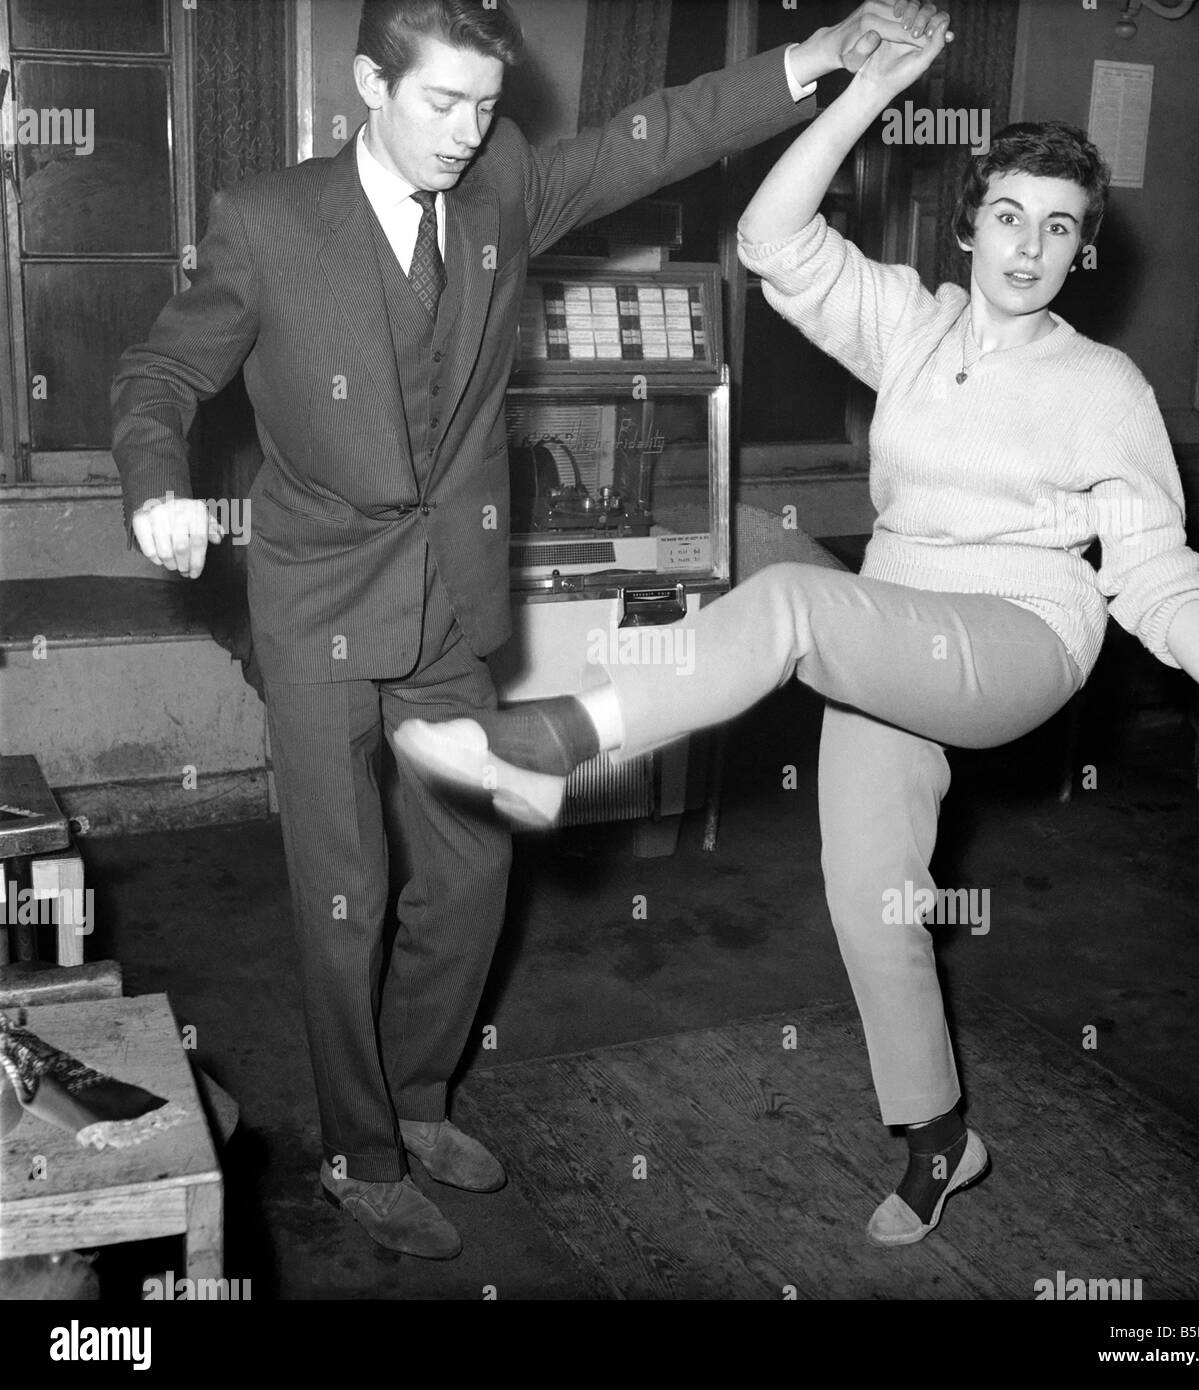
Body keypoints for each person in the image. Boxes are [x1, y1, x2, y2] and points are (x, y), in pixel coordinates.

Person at [393, 0, 1199, 1248]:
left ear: (1081, 252)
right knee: (869, 892)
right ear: (970, 223)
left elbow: (1154, 567)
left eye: (1060, 229)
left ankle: (551, 741)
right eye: (1009, 216)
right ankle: (937, 1138)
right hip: (899, 628)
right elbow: (769, 238)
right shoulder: (914, 328)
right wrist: (864, 85)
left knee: (798, 602)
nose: (1029, 247)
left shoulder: (1103, 386)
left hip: (1021, 640)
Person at [110, 0, 922, 1261]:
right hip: (319, 602)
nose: (464, 132)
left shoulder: (499, 192)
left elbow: (655, 136)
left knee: (472, 870)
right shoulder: (269, 223)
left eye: (485, 107)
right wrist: (157, 487)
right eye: (440, 102)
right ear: (371, 86)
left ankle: (420, 1097)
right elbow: (158, 375)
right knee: (346, 893)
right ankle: (356, 1150)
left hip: (448, 604)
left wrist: (814, 59)